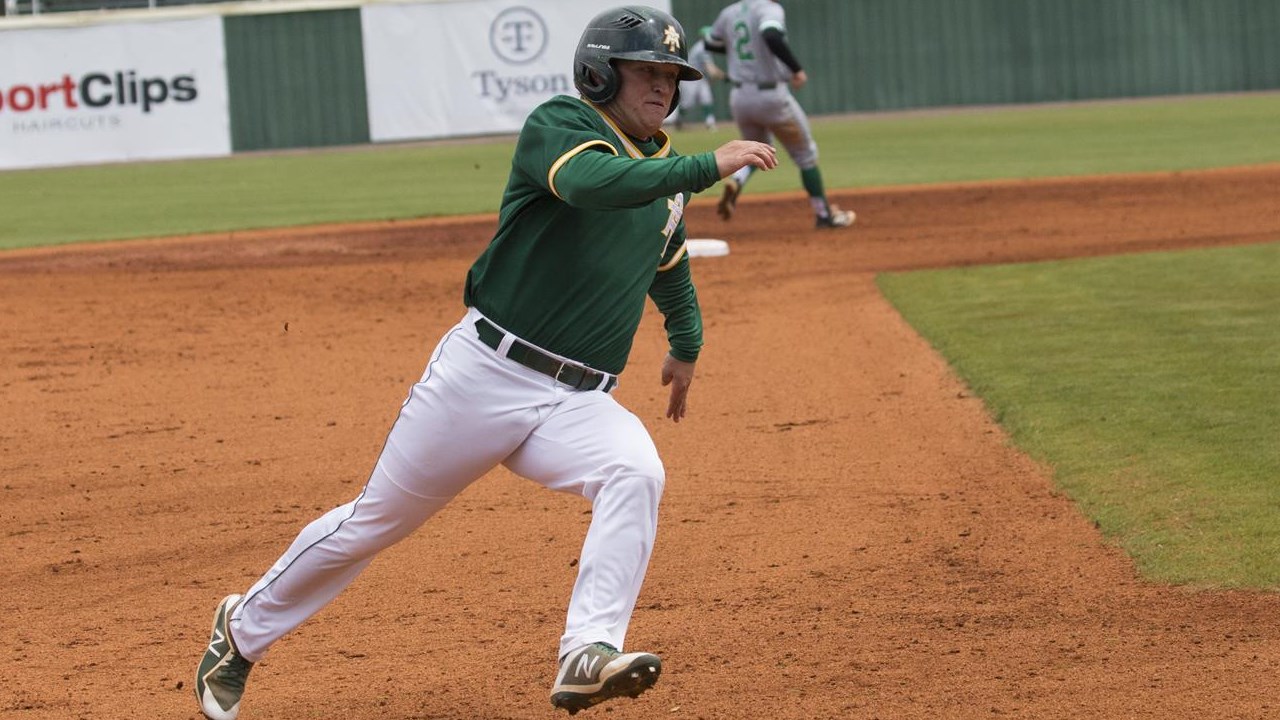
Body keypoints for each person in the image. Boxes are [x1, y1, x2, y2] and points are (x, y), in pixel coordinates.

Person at [192, 6, 777, 720]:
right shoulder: (561, 126)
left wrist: (686, 342)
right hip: (484, 376)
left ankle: (587, 652)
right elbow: (595, 185)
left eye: (670, 75)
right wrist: (705, 165)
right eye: (645, 71)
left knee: (637, 471)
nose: (661, 86)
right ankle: (240, 631)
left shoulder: (663, 171)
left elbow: (668, 257)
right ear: (600, 72)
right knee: (375, 523)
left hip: (578, 398)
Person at [707, 0, 855, 229]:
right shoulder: (769, 8)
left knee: (758, 148)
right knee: (806, 155)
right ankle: (824, 215)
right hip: (771, 96)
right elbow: (771, 35)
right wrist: (797, 69)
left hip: (740, 97)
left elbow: (710, 41)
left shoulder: (730, 12)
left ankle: (736, 181)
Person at [675, 26, 725, 131]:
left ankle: (710, 123)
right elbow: (710, 69)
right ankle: (679, 121)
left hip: (700, 77)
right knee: (687, 103)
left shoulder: (705, 47)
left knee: (707, 99)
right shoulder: (702, 47)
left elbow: (710, 68)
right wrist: (724, 76)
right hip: (691, 77)